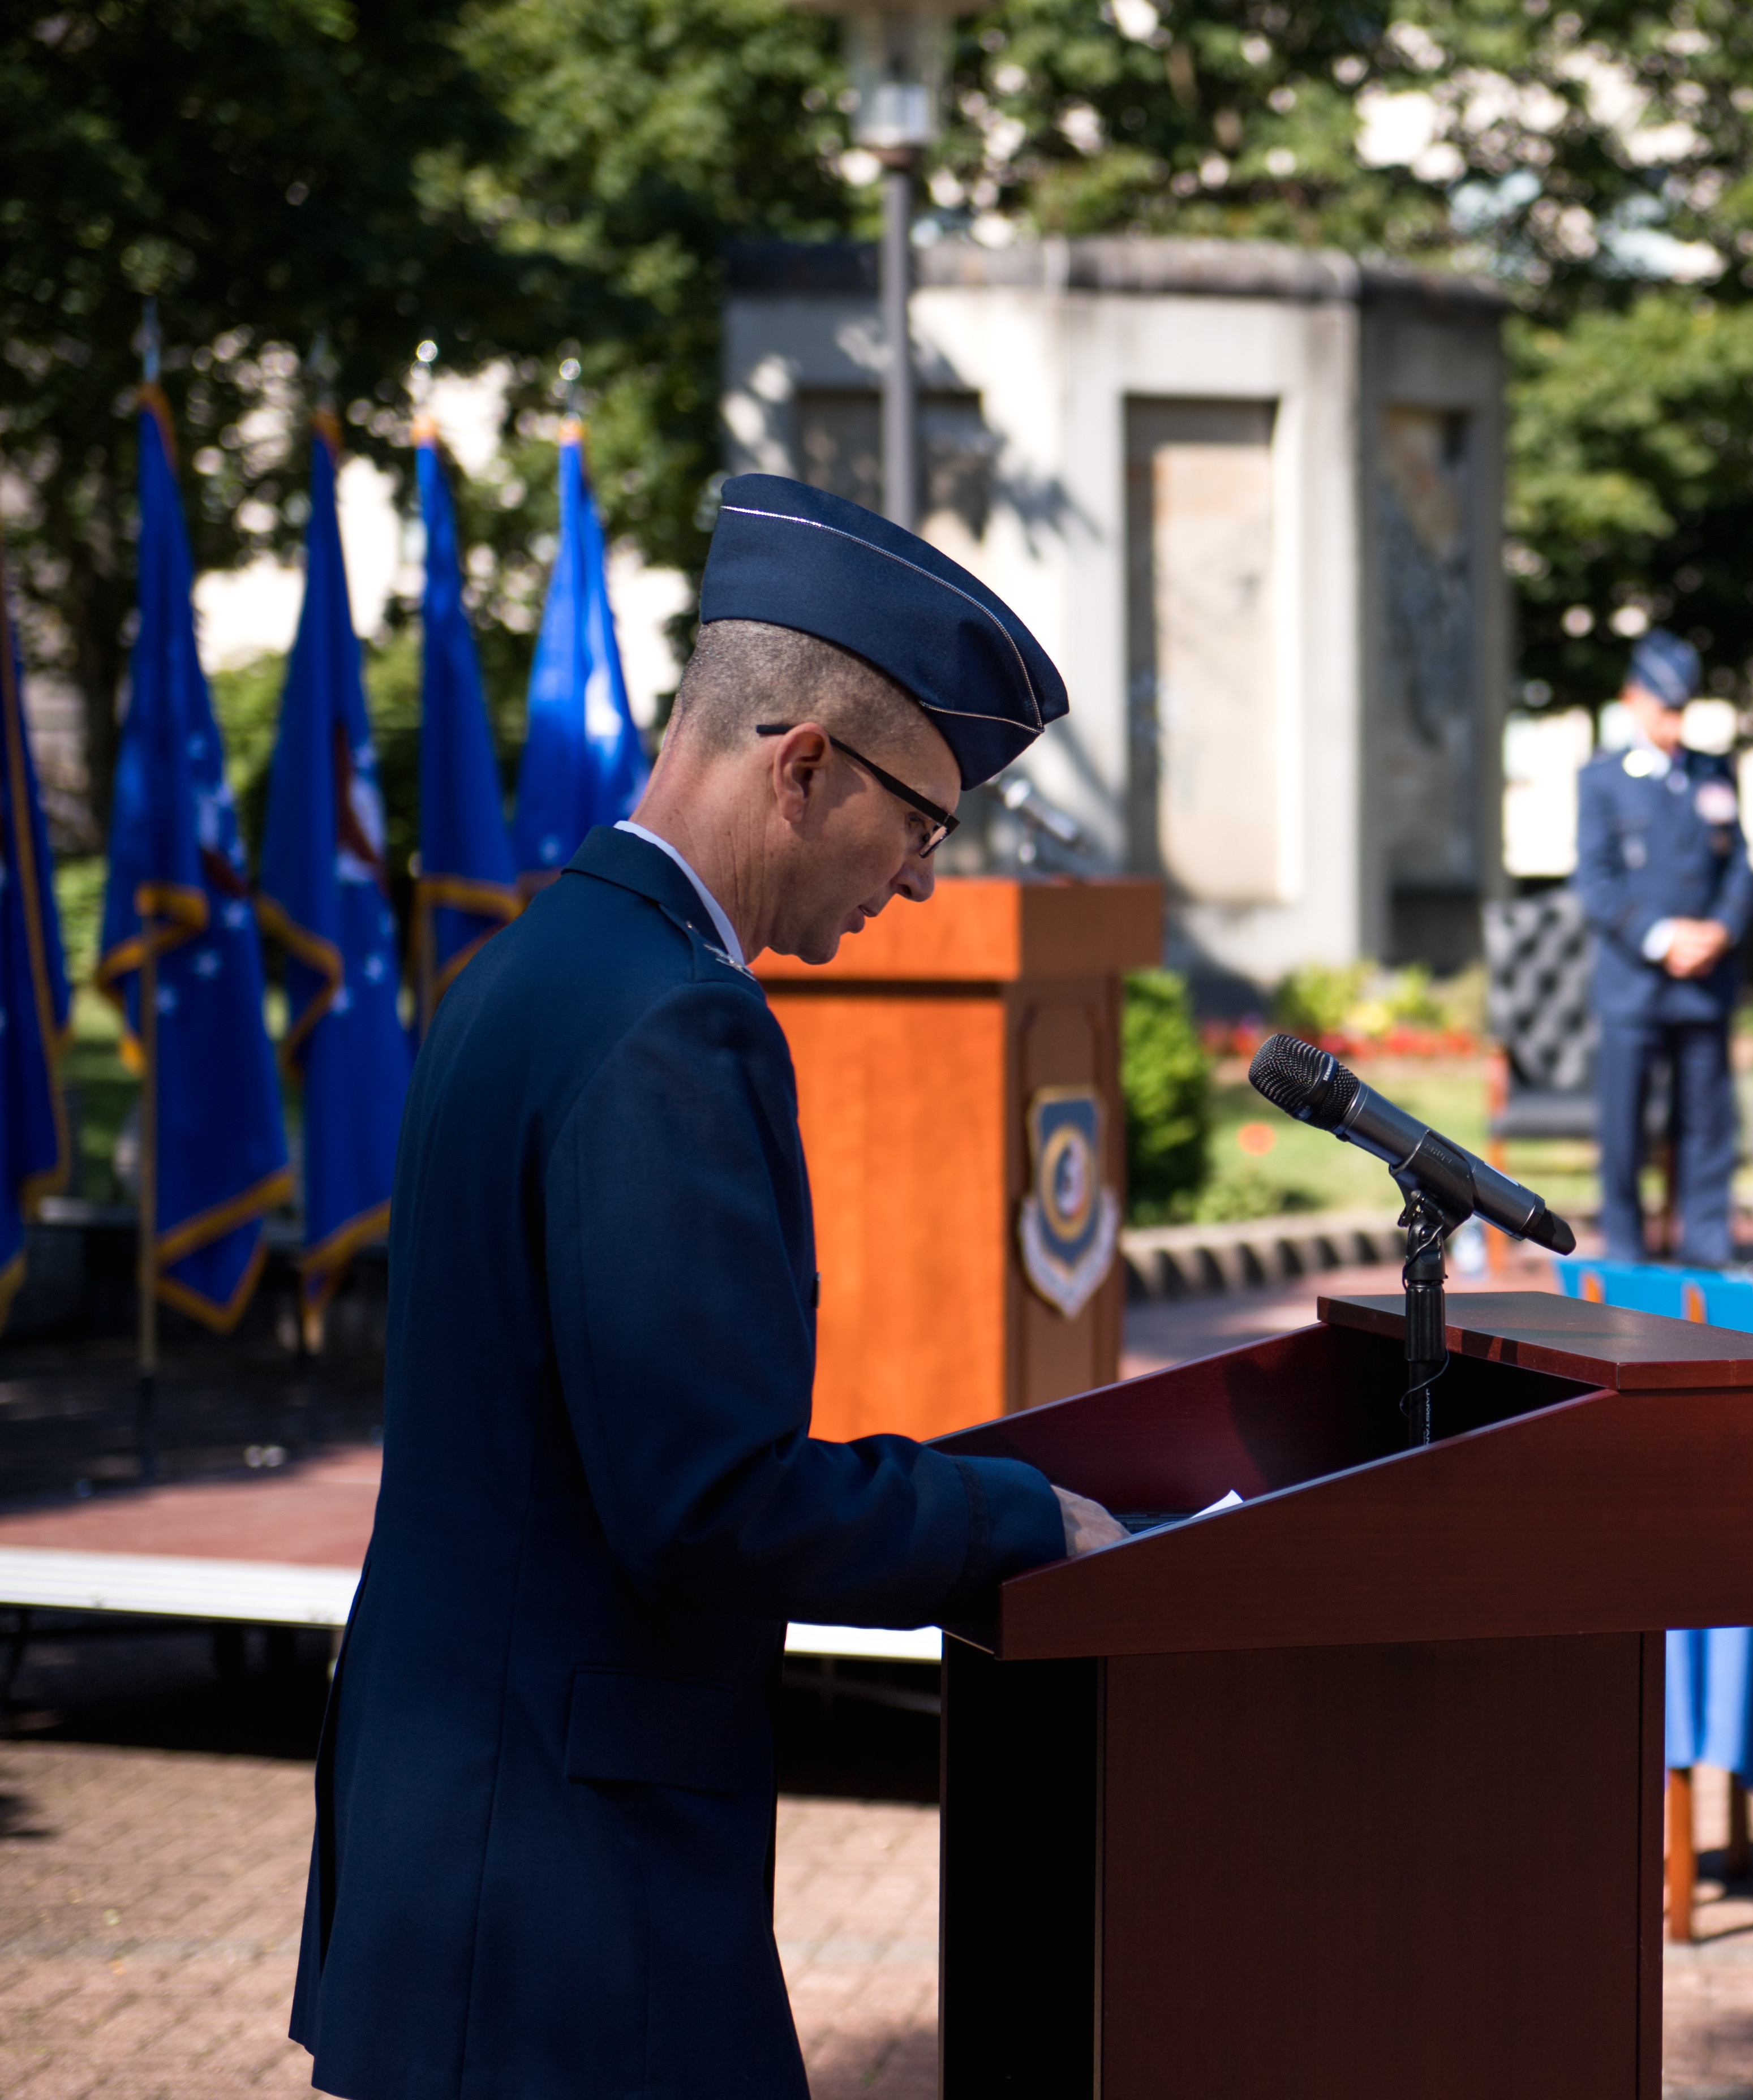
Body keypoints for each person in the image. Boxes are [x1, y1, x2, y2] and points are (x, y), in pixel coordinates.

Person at [289, 475, 1129, 2100]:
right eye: (923, 824)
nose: (921, 882)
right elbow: (706, 1501)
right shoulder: (681, 1021)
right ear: (805, 764)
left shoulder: (527, 966)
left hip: (454, 1834)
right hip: (568, 1889)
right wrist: (1022, 1518)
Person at [1572, 632, 1753, 1266]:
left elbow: (1740, 866)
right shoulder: (1601, 779)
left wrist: (1721, 929)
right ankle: (1626, 1247)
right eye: (1661, 706)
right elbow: (1595, 882)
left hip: (1705, 977)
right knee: (1624, 1126)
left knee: (1708, 1121)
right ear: (1632, 700)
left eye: (1681, 708)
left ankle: (1705, 1243)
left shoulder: (1713, 772)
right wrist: (1660, 937)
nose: (1672, 721)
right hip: (1636, 980)